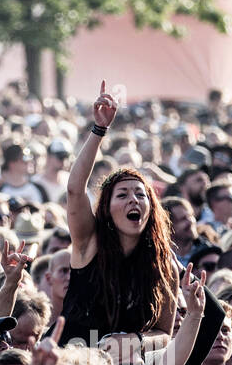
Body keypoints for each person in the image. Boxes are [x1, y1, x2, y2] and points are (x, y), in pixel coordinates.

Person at [61, 82, 178, 345]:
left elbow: (164, 335)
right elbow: (74, 190)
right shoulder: (89, 242)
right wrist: (99, 130)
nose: (133, 200)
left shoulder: (164, 264)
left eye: (140, 194)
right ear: (106, 208)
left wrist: (132, 341)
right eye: (122, 195)